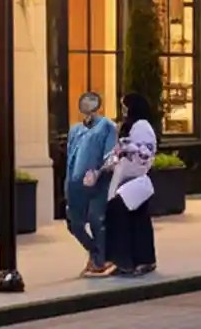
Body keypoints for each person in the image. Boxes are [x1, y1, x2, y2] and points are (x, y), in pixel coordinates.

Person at [103, 93, 158, 276]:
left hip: (134, 182)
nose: (123, 110)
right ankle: (139, 260)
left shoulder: (142, 126)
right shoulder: (129, 127)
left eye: (125, 106)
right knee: (135, 220)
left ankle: (130, 261)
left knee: (125, 218)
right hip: (125, 182)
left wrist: (128, 149)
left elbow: (145, 154)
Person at [65, 91, 117, 278]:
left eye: (91, 102)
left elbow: (111, 155)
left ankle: (100, 260)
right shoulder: (75, 130)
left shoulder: (107, 126)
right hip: (75, 184)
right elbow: (69, 159)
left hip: (98, 184)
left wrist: (98, 172)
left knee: (96, 220)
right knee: (74, 224)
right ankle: (96, 253)